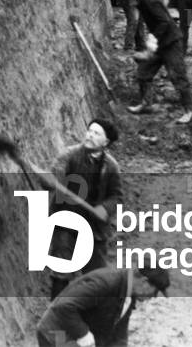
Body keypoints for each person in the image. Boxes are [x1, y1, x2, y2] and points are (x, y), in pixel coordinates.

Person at [46, 118, 124, 299]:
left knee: (97, 277)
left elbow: (116, 196)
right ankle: (57, 320)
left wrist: (104, 209)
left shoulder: (111, 166)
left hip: (94, 229)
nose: (90, 135)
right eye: (89, 131)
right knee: (60, 272)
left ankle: (95, 319)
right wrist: (53, 180)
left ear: (106, 142)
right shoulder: (69, 155)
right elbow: (56, 172)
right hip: (66, 224)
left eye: (97, 133)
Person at [36, 264, 169, 347]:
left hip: (73, 335)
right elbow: (64, 306)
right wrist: (83, 334)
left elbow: (119, 334)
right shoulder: (106, 283)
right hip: (57, 331)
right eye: (154, 292)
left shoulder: (129, 294)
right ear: (145, 282)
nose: (152, 297)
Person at [129, 0, 192, 124]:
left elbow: (165, 21)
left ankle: (191, 111)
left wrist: (153, 38)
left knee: (177, 76)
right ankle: (147, 104)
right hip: (161, 43)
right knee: (144, 72)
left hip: (171, 43)